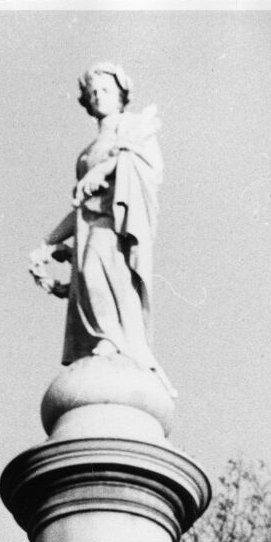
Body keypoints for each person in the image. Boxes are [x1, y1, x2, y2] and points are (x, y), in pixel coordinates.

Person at [29, 63, 173, 392]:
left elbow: (146, 167)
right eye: (92, 91)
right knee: (90, 275)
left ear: (121, 95)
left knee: (97, 272)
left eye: (105, 89)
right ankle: (104, 340)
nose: (98, 96)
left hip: (118, 225)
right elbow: (80, 207)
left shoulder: (134, 127)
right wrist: (47, 244)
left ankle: (114, 340)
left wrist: (106, 169)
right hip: (88, 229)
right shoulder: (85, 154)